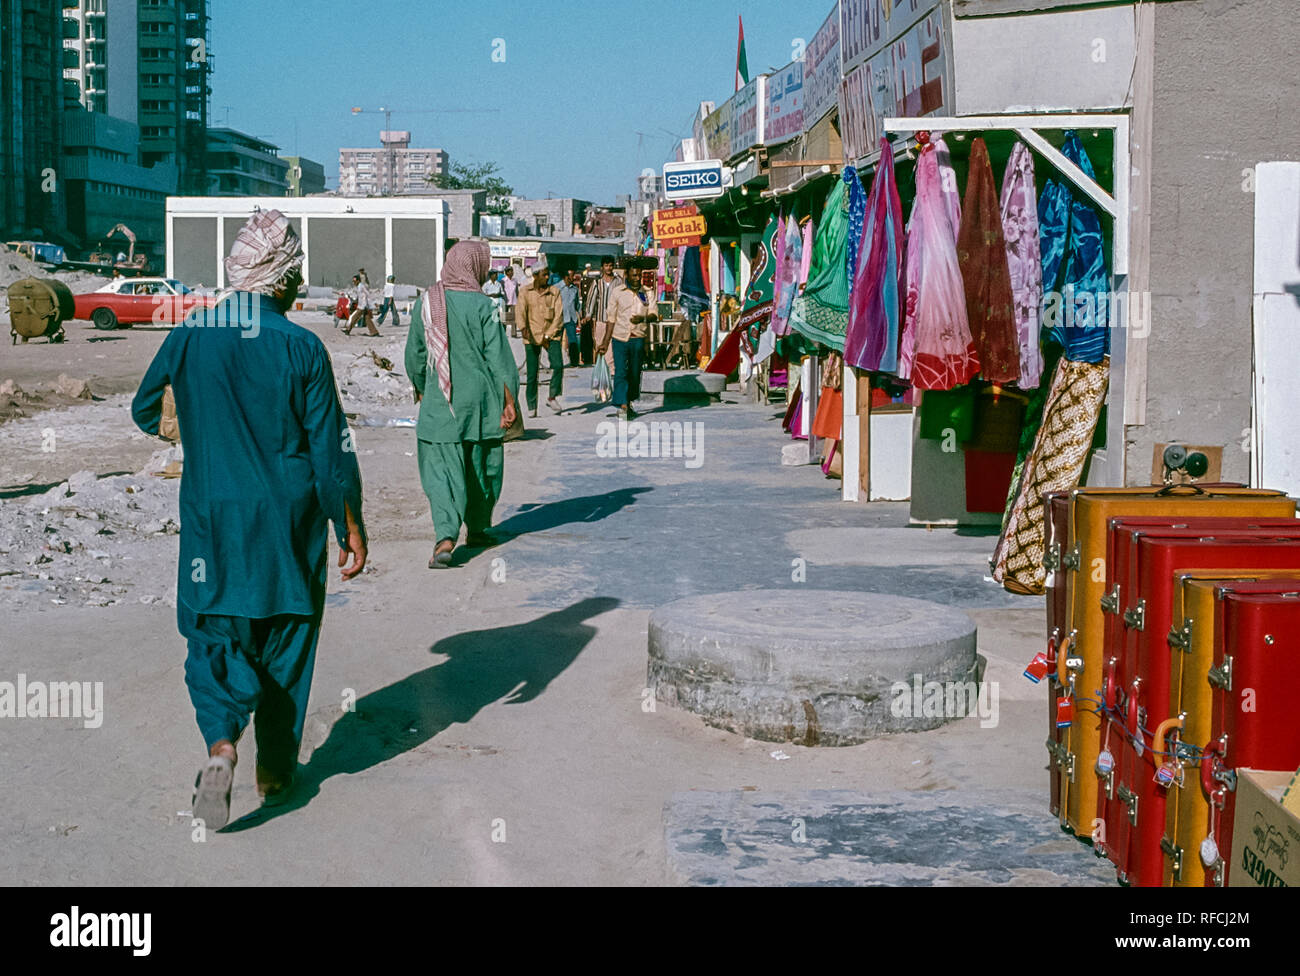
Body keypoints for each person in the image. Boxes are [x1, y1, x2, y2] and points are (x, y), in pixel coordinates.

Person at [131, 209, 367, 829]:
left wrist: (198, 430)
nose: (296, 284)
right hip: (289, 524)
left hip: (213, 520)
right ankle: (276, 771)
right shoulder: (301, 345)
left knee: (213, 633)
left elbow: (144, 408)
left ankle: (222, 745)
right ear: (281, 277)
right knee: (287, 641)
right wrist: (351, 525)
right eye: (295, 274)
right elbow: (330, 449)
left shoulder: (190, 334)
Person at [404, 240, 519, 568]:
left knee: (441, 471)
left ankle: (445, 536)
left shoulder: (426, 303)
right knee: (482, 466)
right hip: (481, 405)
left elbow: (415, 355)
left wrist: (423, 388)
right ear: (476, 267)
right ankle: (479, 528)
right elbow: (499, 358)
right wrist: (509, 401)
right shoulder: (485, 306)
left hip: (442, 403)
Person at [598, 257, 657, 420]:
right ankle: (622, 404)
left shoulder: (648, 293)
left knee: (635, 372)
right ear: (627, 276)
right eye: (634, 275)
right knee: (620, 372)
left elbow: (654, 314)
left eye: (639, 275)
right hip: (620, 338)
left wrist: (643, 319)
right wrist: (604, 342)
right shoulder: (617, 293)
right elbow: (611, 319)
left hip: (638, 337)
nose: (637, 279)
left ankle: (629, 400)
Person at [517, 258, 564, 416]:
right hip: (531, 336)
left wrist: (548, 335)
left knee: (558, 365)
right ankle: (532, 406)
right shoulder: (525, 291)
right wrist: (523, 328)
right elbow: (520, 312)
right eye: (544, 275)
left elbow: (558, 316)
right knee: (532, 373)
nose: (547, 277)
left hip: (551, 335)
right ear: (536, 275)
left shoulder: (555, 292)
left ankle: (552, 396)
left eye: (548, 274)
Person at [581, 255, 620, 374]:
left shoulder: (618, 282)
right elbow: (591, 300)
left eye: (610, 265)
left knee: (611, 347)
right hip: (600, 319)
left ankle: (611, 371)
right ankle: (601, 370)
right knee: (600, 345)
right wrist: (588, 315)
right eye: (606, 265)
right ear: (602, 267)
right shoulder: (597, 283)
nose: (609, 268)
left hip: (614, 321)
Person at [559, 268, 582, 368]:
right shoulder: (557, 288)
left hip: (571, 318)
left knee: (573, 340)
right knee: (557, 341)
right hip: (559, 317)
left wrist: (580, 314)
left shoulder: (575, 289)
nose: (573, 278)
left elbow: (577, 304)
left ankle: (574, 361)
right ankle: (556, 362)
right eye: (571, 276)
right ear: (566, 276)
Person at [501, 265, 519, 336]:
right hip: (505, 301)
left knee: (514, 317)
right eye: (510, 271)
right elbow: (501, 291)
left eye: (512, 271)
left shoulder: (515, 280)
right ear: (507, 272)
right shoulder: (503, 281)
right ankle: (503, 332)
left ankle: (514, 333)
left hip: (514, 301)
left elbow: (517, 291)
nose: (512, 272)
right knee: (504, 317)